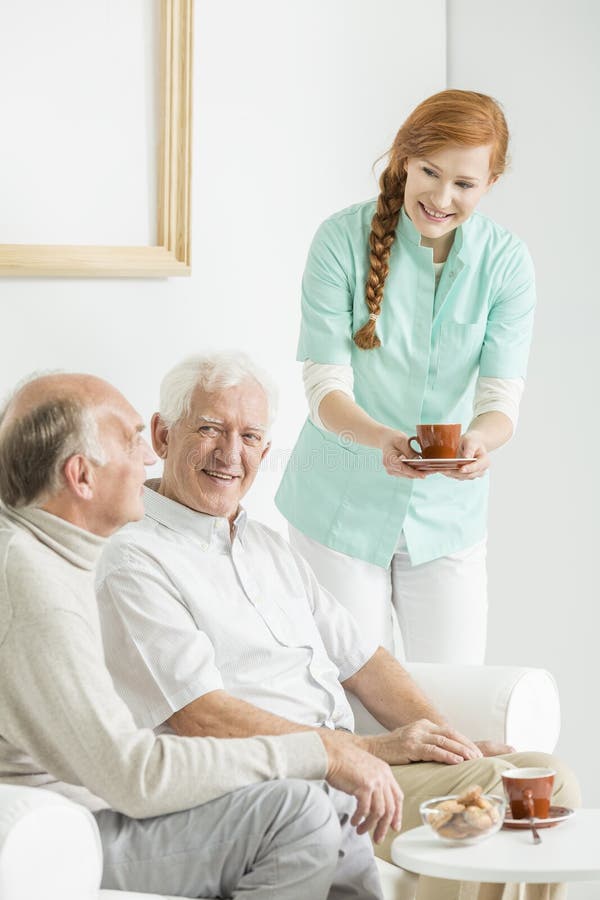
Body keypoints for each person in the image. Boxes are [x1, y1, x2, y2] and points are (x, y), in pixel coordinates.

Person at [96, 353, 578, 900]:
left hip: (355, 768)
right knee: (516, 799)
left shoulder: (268, 546)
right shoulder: (134, 559)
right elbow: (201, 716)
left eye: (250, 436)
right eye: (209, 428)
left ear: (264, 452)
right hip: (274, 789)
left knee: (545, 781)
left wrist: (452, 744)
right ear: (162, 435)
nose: (230, 453)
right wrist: (362, 751)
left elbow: (365, 663)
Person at [0, 372, 401, 900]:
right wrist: (319, 752)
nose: (149, 457)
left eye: (251, 436)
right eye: (132, 442)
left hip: (98, 807)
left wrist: (326, 755)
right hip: (61, 833)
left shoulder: (51, 556)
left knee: (320, 806)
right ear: (81, 476)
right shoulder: (34, 583)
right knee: (299, 811)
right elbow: (134, 776)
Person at [274, 89, 536, 667]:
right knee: (353, 696)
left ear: (490, 183)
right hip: (338, 507)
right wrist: (382, 440)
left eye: (464, 183)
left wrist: (481, 441)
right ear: (404, 159)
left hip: (448, 516)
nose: (441, 198)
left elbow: (501, 398)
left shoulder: (507, 263)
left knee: (452, 690)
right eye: (430, 172)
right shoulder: (340, 240)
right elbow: (324, 390)